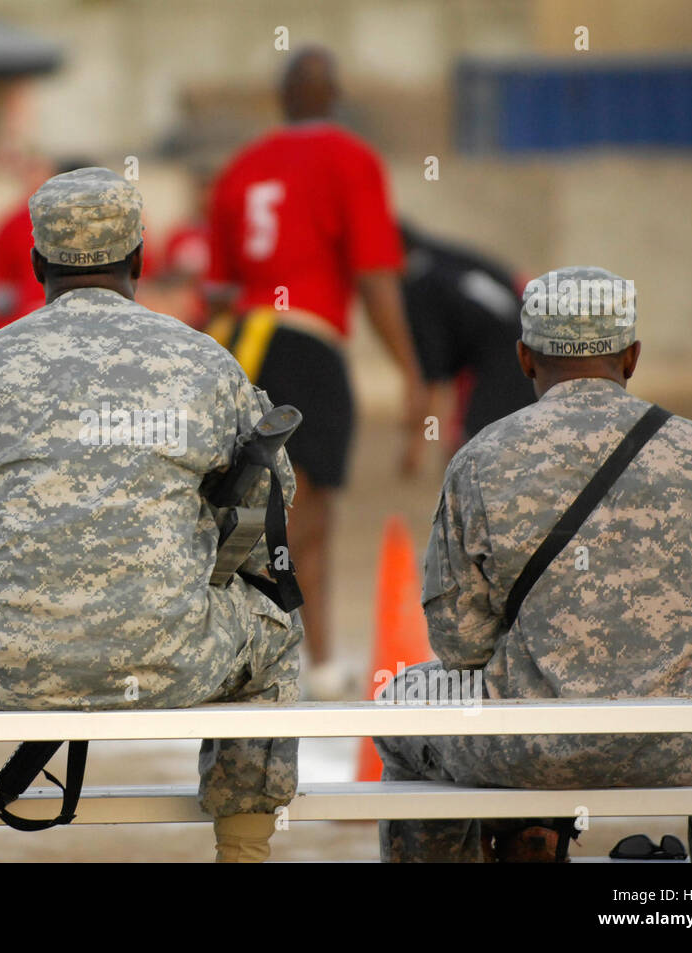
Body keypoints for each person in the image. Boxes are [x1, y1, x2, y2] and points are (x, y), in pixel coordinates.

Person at [0, 168, 304, 863]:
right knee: (275, 627)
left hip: (4, 662)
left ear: (37, 264)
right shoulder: (205, 363)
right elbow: (265, 518)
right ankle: (242, 847)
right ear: (138, 259)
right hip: (176, 658)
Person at [373, 267, 692, 862]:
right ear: (633, 356)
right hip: (689, 743)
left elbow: (461, 644)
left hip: (523, 751)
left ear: (524, 358)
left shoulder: (480, 458)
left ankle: (526, 840)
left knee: (401, 702)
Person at [207, 46, 426, 697]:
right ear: (335, 96)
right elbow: (374, 277)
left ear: (281, 100)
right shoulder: (351, 158)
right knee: (309, 512)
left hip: (237, 344)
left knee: (240, 507)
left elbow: (220, 291)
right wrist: (413, 372)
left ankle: (254, 646)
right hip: (305, 339)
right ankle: (310, 659)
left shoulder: (240, 166)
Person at [397, 221, 537, 467]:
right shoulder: (441, 259)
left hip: (507, 343)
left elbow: (435, 378)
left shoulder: (421, 285)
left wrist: (414, 452)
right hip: (517, 332)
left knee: (479, 447)